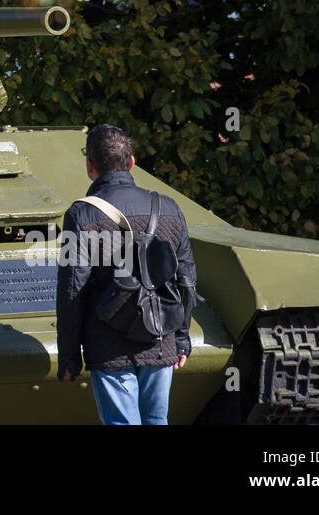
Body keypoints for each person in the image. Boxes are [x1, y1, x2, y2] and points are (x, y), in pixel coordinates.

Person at [56, 124, 197, 425]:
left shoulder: (81, 215)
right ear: (132, 162)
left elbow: (72, 289)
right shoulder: (168, 207)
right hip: (160, 338)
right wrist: (182, 339)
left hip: (109, 346)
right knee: (157, 421)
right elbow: (186, 279)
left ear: (90, 166)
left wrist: (69, 355)